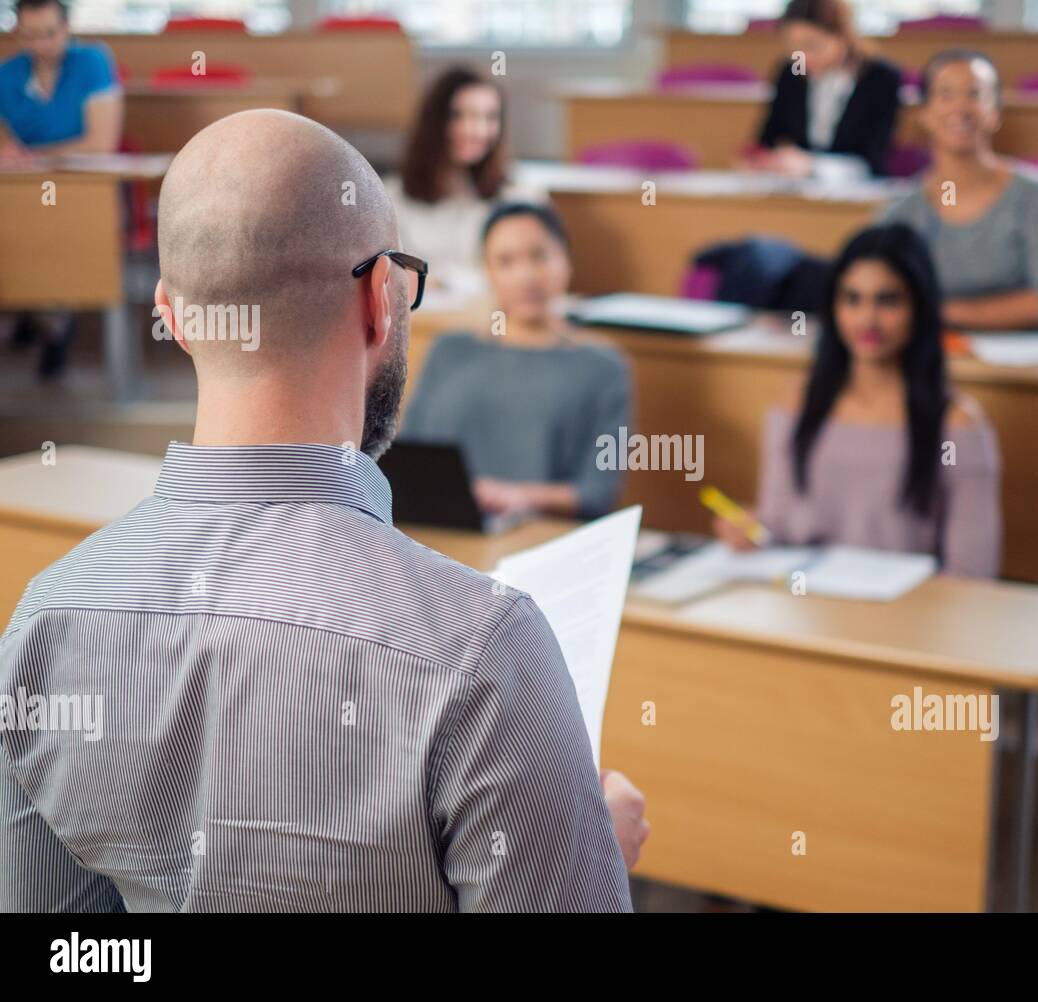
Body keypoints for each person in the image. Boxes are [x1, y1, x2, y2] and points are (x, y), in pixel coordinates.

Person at [0, 110, 647, 912]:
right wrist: (597, 857)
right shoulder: (483, 649)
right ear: (382, 299)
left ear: (172, 315)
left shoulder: (43, 625)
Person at [713, 223, 1002, 578]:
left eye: (888, 301)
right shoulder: (797, 402)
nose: (867, 319)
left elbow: (971, 573)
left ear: (920, 307)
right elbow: (780, 526)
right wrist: (752, 531)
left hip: (910, 616)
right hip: (810, 604)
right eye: (852, 299)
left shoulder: (957, 421)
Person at [400, 202, 633, 520]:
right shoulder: (449, 351)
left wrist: (514, 497)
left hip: (542, 539)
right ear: (488, 272)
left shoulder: (603, 368)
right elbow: (408, 458)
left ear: (566, 261)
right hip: (439, 535)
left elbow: (596, 493)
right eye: (506, 261)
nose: (526, 276)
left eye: (540, 256)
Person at [876, 49, 1038, 331]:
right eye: (946, 94)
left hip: (1024, 365)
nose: (960, 108)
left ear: (994, 113)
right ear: (923, 114)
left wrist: (939, 312)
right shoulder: (901, 211)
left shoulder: (1035, 195)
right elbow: (884, 298)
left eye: (974, 95)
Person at [0, 0, 123, 379]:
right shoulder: (8, 75)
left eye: (49, 33)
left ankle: (49, 319)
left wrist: (32, 155)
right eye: (30, 35)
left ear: (66, 29)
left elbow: (100, 143)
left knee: (59, 224)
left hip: (81, 190)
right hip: (19, 195)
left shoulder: (93, 62)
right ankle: (35, 312)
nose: (40, 44)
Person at [385, 66, 540, 297]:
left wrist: (447, 281)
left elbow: (527, 273)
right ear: (434, 121)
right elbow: (393, 276)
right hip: (421, 323)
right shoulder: (392, 196)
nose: (475, 130)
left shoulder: (519, 195)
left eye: (489, 117)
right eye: (459, 116)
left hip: (494, 321)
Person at [748, 0, 901, 180]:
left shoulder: (880, 78)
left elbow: (873, 160)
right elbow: (767, 140)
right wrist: (763, 160)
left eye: (811, 45)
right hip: (797, 191)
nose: (801, 57)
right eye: (792, 46)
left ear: (843, 37)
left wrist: (813, 166)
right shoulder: (791, 72)